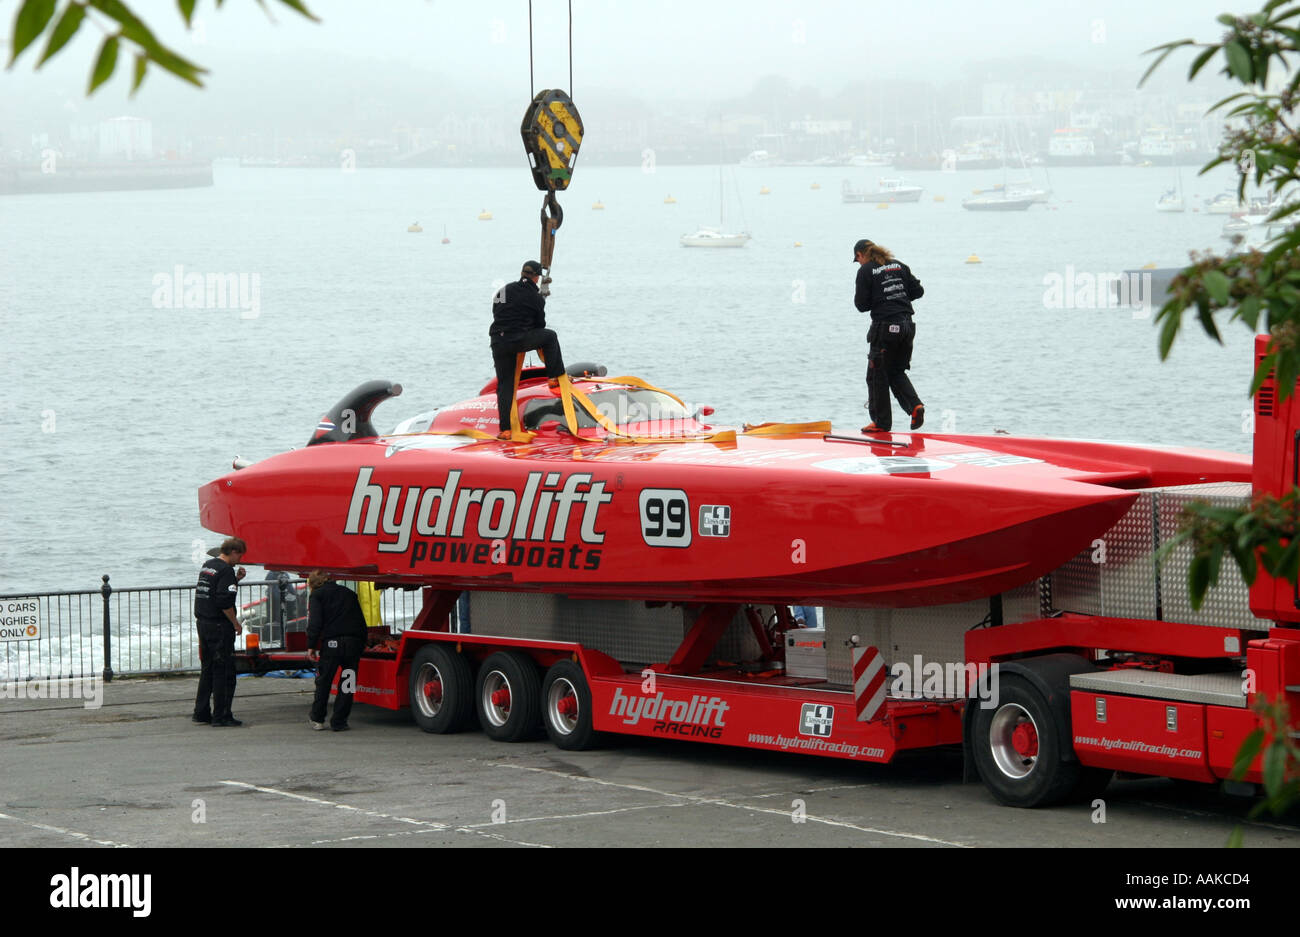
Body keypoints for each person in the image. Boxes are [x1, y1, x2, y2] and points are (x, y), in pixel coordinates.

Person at [852, 239, 925, 434]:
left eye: (857, 259)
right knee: (895, 370)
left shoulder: (866, 271)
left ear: (860, 255)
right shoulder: (899, 266)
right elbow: (918, 291)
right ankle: (915, 407)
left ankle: (881, 423)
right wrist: (896, 295)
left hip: (885, 328)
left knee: (876, 375)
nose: (858, 263)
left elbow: (861, 305)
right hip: (907, 327)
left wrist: (881, 297)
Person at [490, 260, 567, 439]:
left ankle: (506, 429)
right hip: (517, 340)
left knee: (505, 385)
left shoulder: (503, 290)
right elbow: (540, 325)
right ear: (537, 277)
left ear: (522, 273)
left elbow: (496, 312)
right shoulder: (535, 297)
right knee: (550, 336)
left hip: (498, 341)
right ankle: (554, 377)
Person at [193, 537, 248, 727]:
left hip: (203, 622)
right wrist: (236, 623)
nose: (240, 559)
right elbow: (224, 602)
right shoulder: (226, 570)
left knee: (207, 668)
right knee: (223, 671)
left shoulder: (208, 565)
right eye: (240, 555)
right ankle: (221, 714)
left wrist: (236, 580)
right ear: (233, 552)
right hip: (219, 626)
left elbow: (215, 591)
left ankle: (201, 712)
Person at [305, 570, 369, 732]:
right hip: (353, 643)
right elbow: (361, 621)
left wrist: (311, 645)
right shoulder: (349, 593)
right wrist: (362, 643)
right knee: (348, 683)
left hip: (332, 644)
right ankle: (340, 721)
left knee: (324, 682)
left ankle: (318, 718)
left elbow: (315, 623)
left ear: (313, 584)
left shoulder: (317, 596)